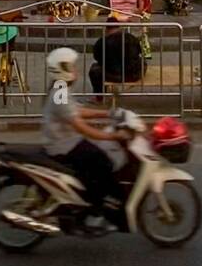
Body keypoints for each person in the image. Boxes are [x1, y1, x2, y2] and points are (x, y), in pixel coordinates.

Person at [43, 47, 120, 233]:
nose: (76, 71)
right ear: (64, 69)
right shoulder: (59, 94)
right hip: (64, 146)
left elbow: (76, 110)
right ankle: (92, 213)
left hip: (66, 141)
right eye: (73, 67)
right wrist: (112, 135)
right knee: (104, 163)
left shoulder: (60, 88)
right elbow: (81, 126)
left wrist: (107, 113)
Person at [89, 15, 144, 94]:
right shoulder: (130, 37)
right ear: (118, 27)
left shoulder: (102, 42)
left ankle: (99, 97)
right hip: (133, 74)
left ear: (106, 28)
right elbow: (139, 51)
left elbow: (97, 57)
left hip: (114, 75)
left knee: (94, 70)